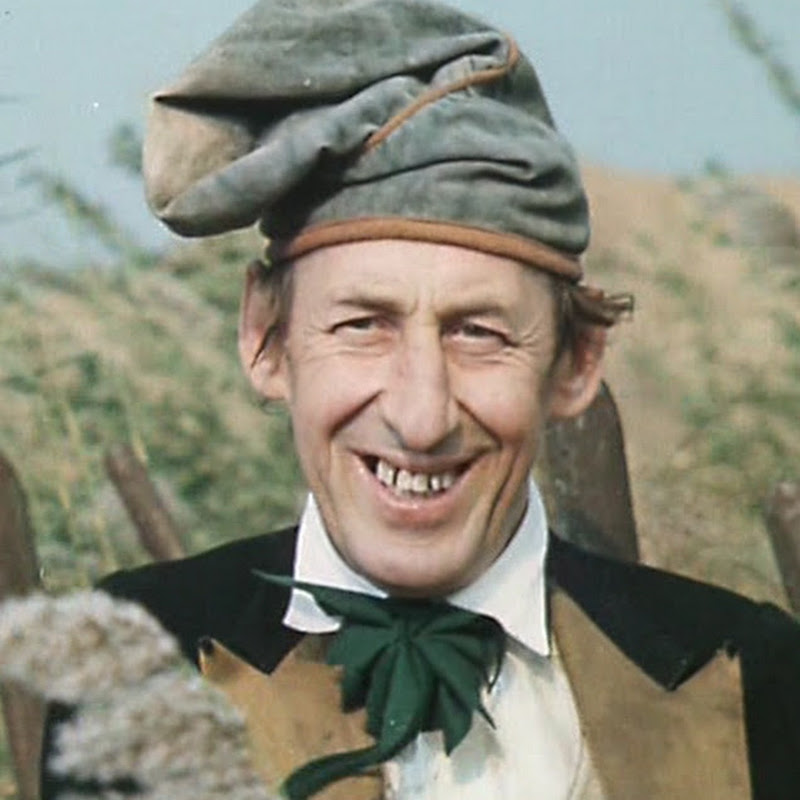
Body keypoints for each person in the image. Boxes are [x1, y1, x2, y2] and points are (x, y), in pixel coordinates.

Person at [42, 1, 800, 798]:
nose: (421, 415)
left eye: (478, 333)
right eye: (363, 325)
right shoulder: (141, 669)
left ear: (575, 363)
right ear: (267, 339)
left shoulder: (746, 678)